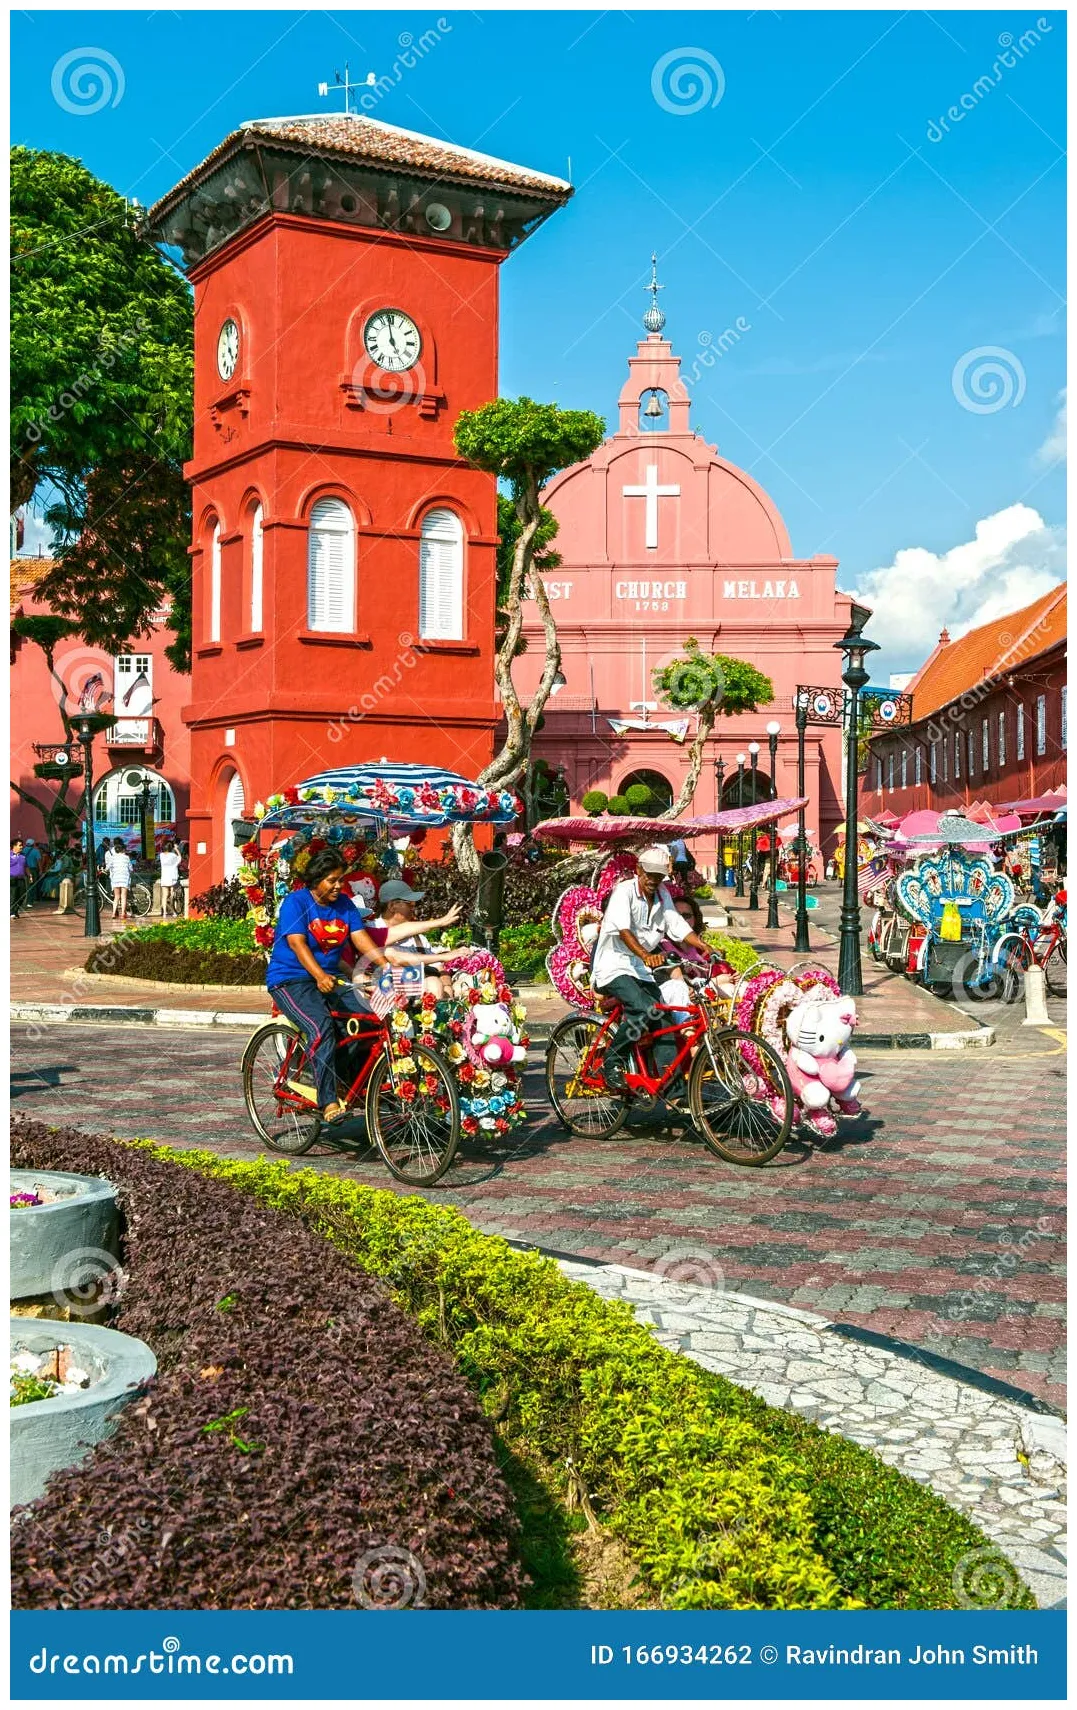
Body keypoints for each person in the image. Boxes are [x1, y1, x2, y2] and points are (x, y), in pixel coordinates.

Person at [265, 848, 391, 1124]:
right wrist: (320, 975)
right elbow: (297, 943)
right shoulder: (296, 902)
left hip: (331, 978)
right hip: (290, 979)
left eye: (340, 880)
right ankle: (328, 1101)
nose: (337, 886)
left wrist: (385, 966)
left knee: (369, 1019)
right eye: (331, 880)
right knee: (321, 1027)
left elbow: (360, 938)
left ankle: (344, 1081)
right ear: (315, 880)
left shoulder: (344, 905)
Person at [591, 844, 710, 1104]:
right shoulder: (624, 892)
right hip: (613, 966)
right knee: (644, 1009)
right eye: (650, 874)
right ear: (638, 870)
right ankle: (612, 1061)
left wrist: (702, 945)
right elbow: (624, 930)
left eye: (659, 876)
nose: (654, 880)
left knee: (662, 1017)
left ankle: (674, 1092)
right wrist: (646, 956)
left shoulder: (662, 895)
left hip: (640, 969)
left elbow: (677, 926)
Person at [368, 880, 464, 1000]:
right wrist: (444, 955)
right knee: (434, 983)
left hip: (423, 997)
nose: (413, 908)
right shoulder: (370, 930)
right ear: (392, 906)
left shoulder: (418, 938)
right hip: (386, 996)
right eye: (410, 904)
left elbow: (439, 968)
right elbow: (396, 956)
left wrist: (447, 986)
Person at [108, 838, 132, 922]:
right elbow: (131, 868)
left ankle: (113, 913)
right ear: (122, 850)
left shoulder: (113, 858)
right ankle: (123, 914)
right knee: (123, 896)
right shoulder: (127, 858)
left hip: (115, 878)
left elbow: (108, 867)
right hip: (124, 878)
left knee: (116, 897)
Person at [159, 839, 183, 917]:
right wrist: (176, 849)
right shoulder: (173, 855)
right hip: (172, 877)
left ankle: (164, 913)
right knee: (172, 895)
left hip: (164, 877)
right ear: (171, 847)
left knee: (164, 896)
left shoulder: (161, 855)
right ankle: (174, 912)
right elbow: (180, 859)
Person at [22, 838, 41, 908]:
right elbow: (39, 861)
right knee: (31, 885)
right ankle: (29, 902)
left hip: (23, 870)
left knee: (25, 885)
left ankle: (23, 901)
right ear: (33, 844)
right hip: (32, 871)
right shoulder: (36, 851)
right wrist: (41, 870)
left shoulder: (22, 850)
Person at [10, 839, 27, 918]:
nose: (21, 847)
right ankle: (11, 912)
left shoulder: (23, 856)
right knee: (13, 896)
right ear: (14, 846)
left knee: (22, 895)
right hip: (11, 878)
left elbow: (26, 866)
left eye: (22, 845)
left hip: (21, 878)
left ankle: (15, 911)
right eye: (20, 845)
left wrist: (30, 875)